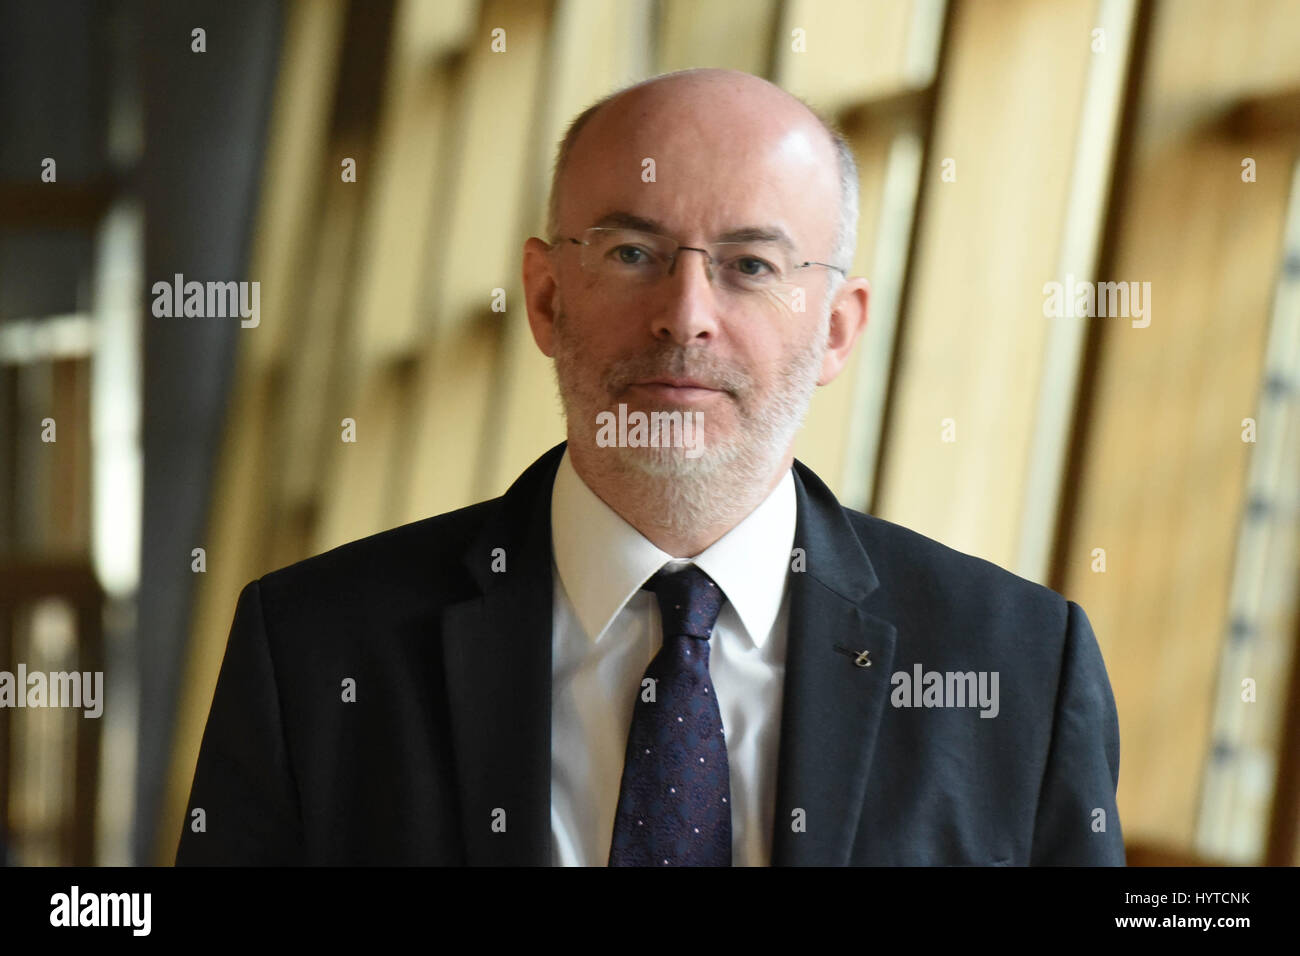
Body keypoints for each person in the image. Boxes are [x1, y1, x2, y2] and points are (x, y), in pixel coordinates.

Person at [175, 67, 1124, 866]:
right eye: (633, 252)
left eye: (751, 265)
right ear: (546, 299)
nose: (685, 315)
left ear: (836, 331)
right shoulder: (313, 647)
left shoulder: (1021, 667)